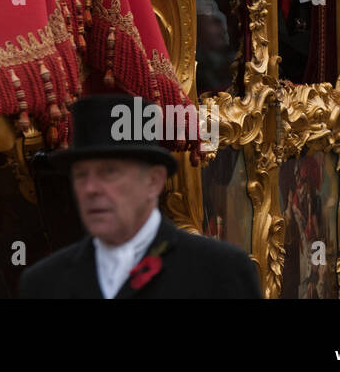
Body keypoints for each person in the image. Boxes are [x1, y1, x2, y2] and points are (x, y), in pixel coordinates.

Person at [19, 95, 263, 298]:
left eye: (109, 172)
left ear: (153, 181)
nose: (91, 188)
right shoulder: (44, 284)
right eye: (81, 175)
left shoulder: (221, 273)